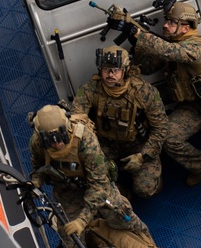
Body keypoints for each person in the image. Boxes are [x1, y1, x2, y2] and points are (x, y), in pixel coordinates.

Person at [28, 104, 171, 248]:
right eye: (50, 139)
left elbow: (99, 184)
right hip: (66, 189)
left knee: (122, 216)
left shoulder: (85, 140)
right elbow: (38, 168)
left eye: (60, 135)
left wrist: (83, 219)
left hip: (96, 185)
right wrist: (35, 182)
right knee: (71, 239)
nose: (57, 143)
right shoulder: (37, 143)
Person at [133, 1, 201, 186]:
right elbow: (146, 67)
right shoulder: (173, 44)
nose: (165, 25)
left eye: (171, 22)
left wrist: (140, 35)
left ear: (185, 27)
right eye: (167, 21)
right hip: (195, 107)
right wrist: (135, 40)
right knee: (166, 137)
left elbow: (171, 52)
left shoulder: (196, 48)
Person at [70, 46, 168, 199]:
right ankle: (120, 194)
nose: (110, 74)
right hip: (106, 144)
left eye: (115, 70)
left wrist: (143, 156)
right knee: (83, 176)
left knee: (145, 189)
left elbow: (161, 128)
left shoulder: (143, 91)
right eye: (106, 69)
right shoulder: (89, 90)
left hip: (138, 144)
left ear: (125, 70)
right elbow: (76, 119)